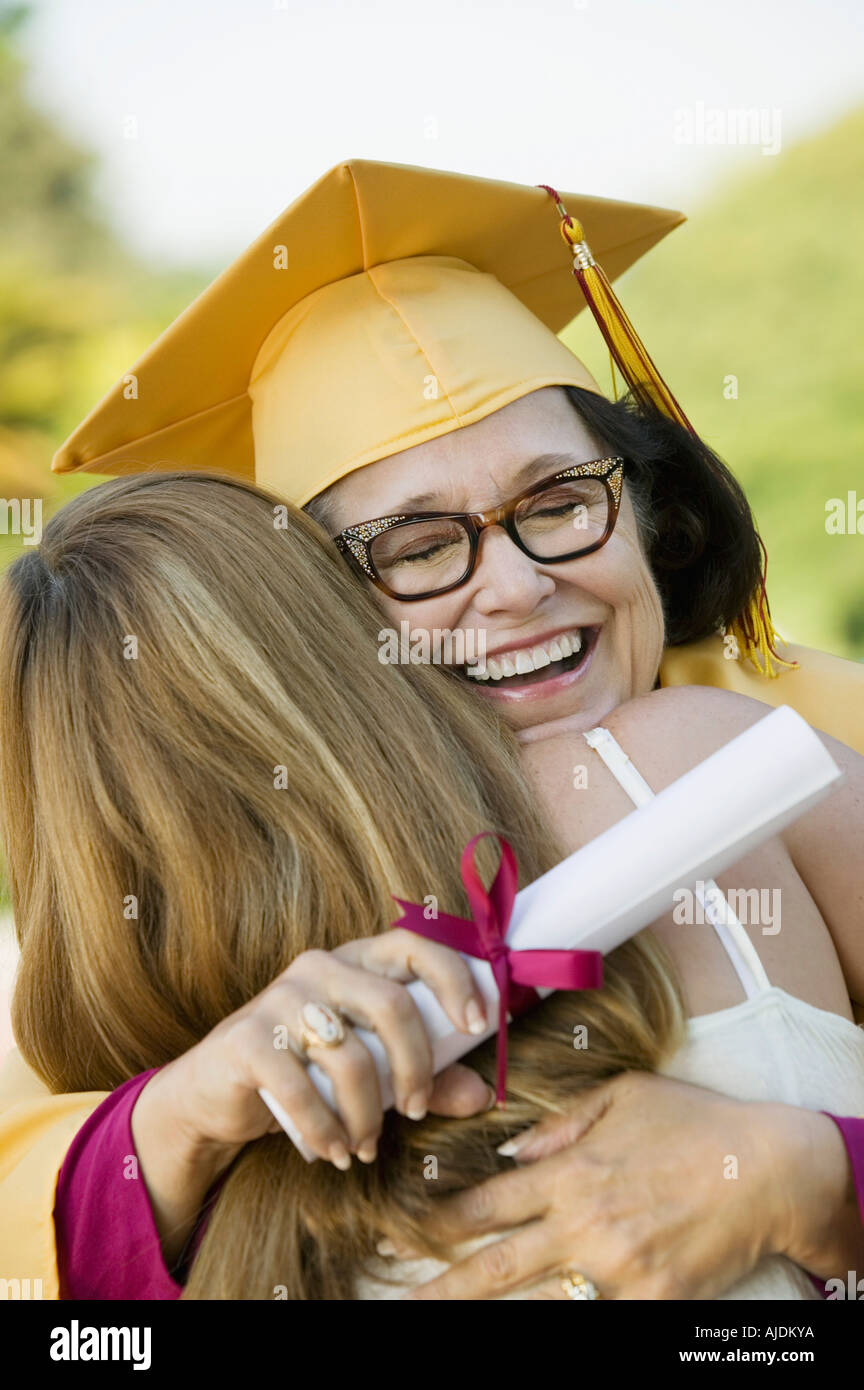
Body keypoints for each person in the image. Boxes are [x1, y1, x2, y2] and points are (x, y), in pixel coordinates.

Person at [1, 160, 862, 1297]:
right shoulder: (232, 917)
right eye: (417, 548)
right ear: (317, 621)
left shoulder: (795, 733)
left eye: (557, 503)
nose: (512, 585)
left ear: (644, 504)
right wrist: (177, 1119)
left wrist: (817, 1174)